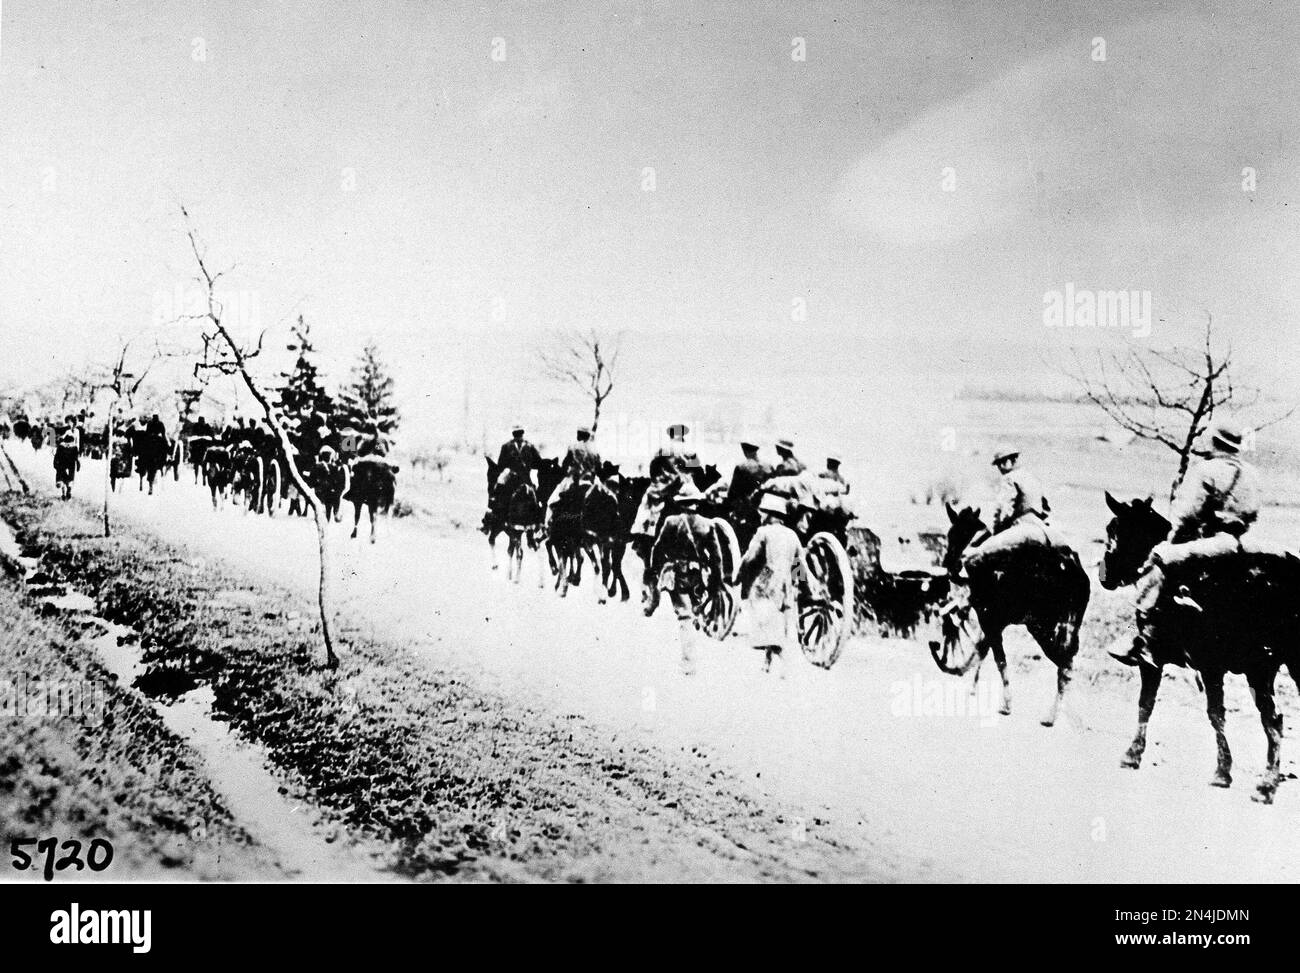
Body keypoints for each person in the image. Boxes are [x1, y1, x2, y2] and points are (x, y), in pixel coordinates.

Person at [1111, 422, 1260, 668]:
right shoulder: (1251, 473)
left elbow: (1187, 515)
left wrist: (1172, 542)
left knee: (1158, 558)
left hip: (1214, 543)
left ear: (1214, 442)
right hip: (1244, 540)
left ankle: (1142, 640)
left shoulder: (1206, 469)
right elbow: (1253, 512)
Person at [648, 483, 724, 673]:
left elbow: (657, 548)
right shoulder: (708, 524)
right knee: (694, 610)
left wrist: (656, 570)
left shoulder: (672, 522)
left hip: (677, 574)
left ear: (681, 504)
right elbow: (717, 558)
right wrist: (716, 582)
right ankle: (696, 624)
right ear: (696, 504)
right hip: (699, 576)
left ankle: (689, 662)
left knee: (684, 616)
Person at [738, 493, 809, 677]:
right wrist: (801, 585)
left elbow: (750, 557)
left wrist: (738, 575)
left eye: (764, 513)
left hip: (767, 576)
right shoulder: (792, 535)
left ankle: (784, 661)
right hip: (786, 581)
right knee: (780, 621)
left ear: (770, 514)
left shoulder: (764, 532)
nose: (761, 516)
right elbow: (799, 563)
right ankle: (767, 663)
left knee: (761, 613)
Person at [962, 447, 1051, 572]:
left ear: (1011, 460)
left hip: (1020, 530)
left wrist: (994, 532)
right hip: (1042, 531)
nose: (1000, 467)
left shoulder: (1009, 478)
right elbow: (1046, 510)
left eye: (1002, 462)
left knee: (972, 559)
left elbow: (1003, 511)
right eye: (999, 464)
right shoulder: (1033, 478)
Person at [546, 426, 602, 526]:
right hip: (591, 483)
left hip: (573, 481)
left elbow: (565, 465)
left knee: (551, 501)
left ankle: (547, 529)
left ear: (579, 435)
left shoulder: (573, 447)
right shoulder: (595, 450)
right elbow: (599, 469)